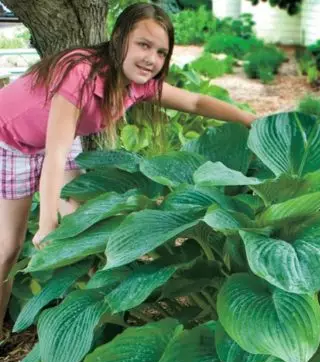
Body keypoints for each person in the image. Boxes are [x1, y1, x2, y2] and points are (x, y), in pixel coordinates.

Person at [0, 2, 256, 325]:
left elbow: (194, 101)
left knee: (88, 226)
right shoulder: (81, 73)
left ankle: (91, 314)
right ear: (120, 39)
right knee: (8, 249)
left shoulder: (139, 83)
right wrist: (48, 221)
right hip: (11, 138)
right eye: (144, 45)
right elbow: (54, 153)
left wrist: (249, 118)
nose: (152, 59)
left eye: (161, 52)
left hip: (55, 136)